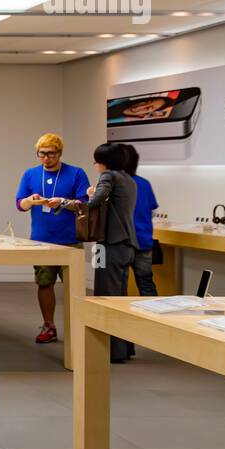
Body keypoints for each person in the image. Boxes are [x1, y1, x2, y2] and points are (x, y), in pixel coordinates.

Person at [15, 133, 90, 344]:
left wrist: (63, 202)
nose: (46, 158)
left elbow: (85, 203)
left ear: (60, 153)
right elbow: (20, 204)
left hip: (71, 239)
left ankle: (79, 328)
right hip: (42, 239)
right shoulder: (30, 174)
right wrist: (30, 200)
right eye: (42, 154)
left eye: (51, 154)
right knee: (44, 283)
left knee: (74, 287)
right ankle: (49, 326)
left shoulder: (76, 173)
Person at [68, 142, 139, 363]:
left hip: (110, 244)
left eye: (97, 160)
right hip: (127, 244)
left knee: (105, 296)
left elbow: (95, 201)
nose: (95, 165)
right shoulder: (129, 180)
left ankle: (111, 352)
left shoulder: (108, 177)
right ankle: (124, 348)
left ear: (104, 162)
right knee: (120, 298)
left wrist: (90, 193)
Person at [120, 143, 160, 297]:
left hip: (122, 243)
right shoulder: (144, 183)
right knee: (146, 284)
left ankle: (119, 320)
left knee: (119, 286)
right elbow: (151, 210)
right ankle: (153, 318)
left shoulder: (115, 184)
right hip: (143, 241)